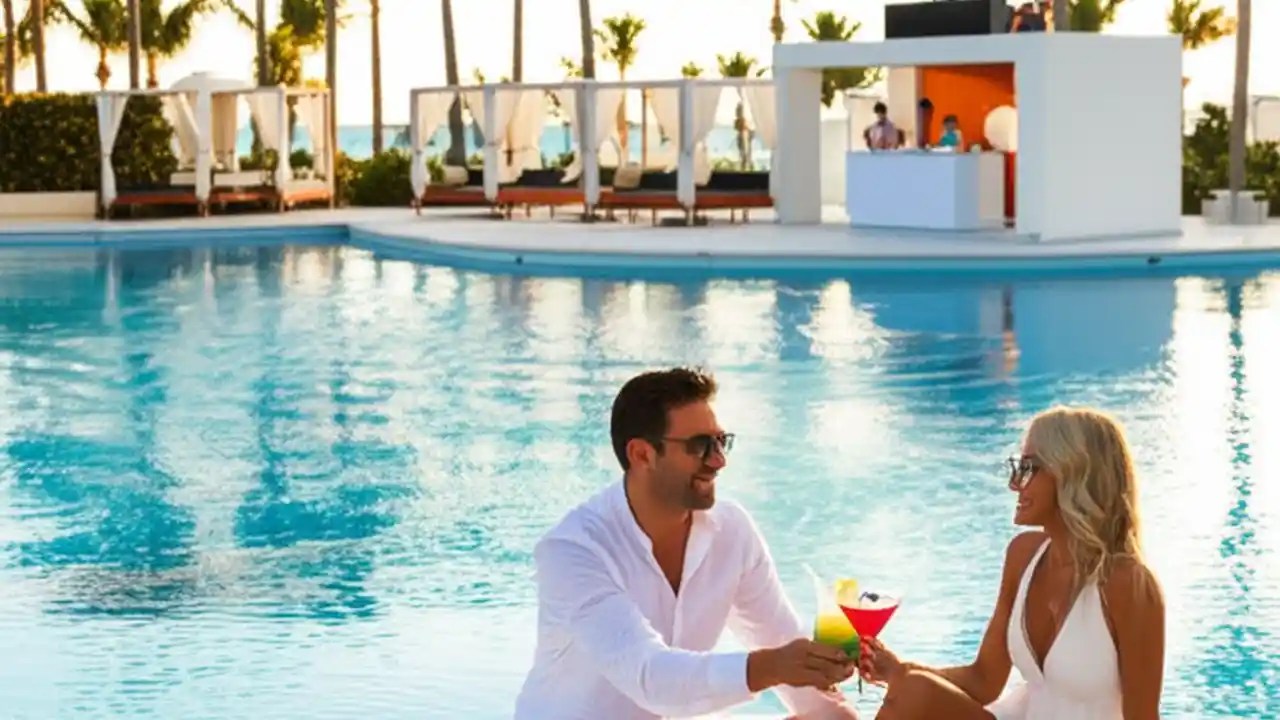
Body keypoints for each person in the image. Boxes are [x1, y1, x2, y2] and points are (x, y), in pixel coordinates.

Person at [514, 367, 861, 719]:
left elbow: (785, 647)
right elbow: (650, 679)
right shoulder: (573, 552)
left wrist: (837, 709)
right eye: (699, 446)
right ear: (642, 455)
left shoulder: (732, 531)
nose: (718, 461)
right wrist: (772, 666)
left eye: (720, 442)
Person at [860, 406, 1165, 719]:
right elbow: (984, 680)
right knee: (913, 689)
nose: (1015, 484)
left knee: (914, 691)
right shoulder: (1024, 555)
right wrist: (897, 670)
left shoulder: (1128, 583)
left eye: (1028, 468)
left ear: (1072, 473)